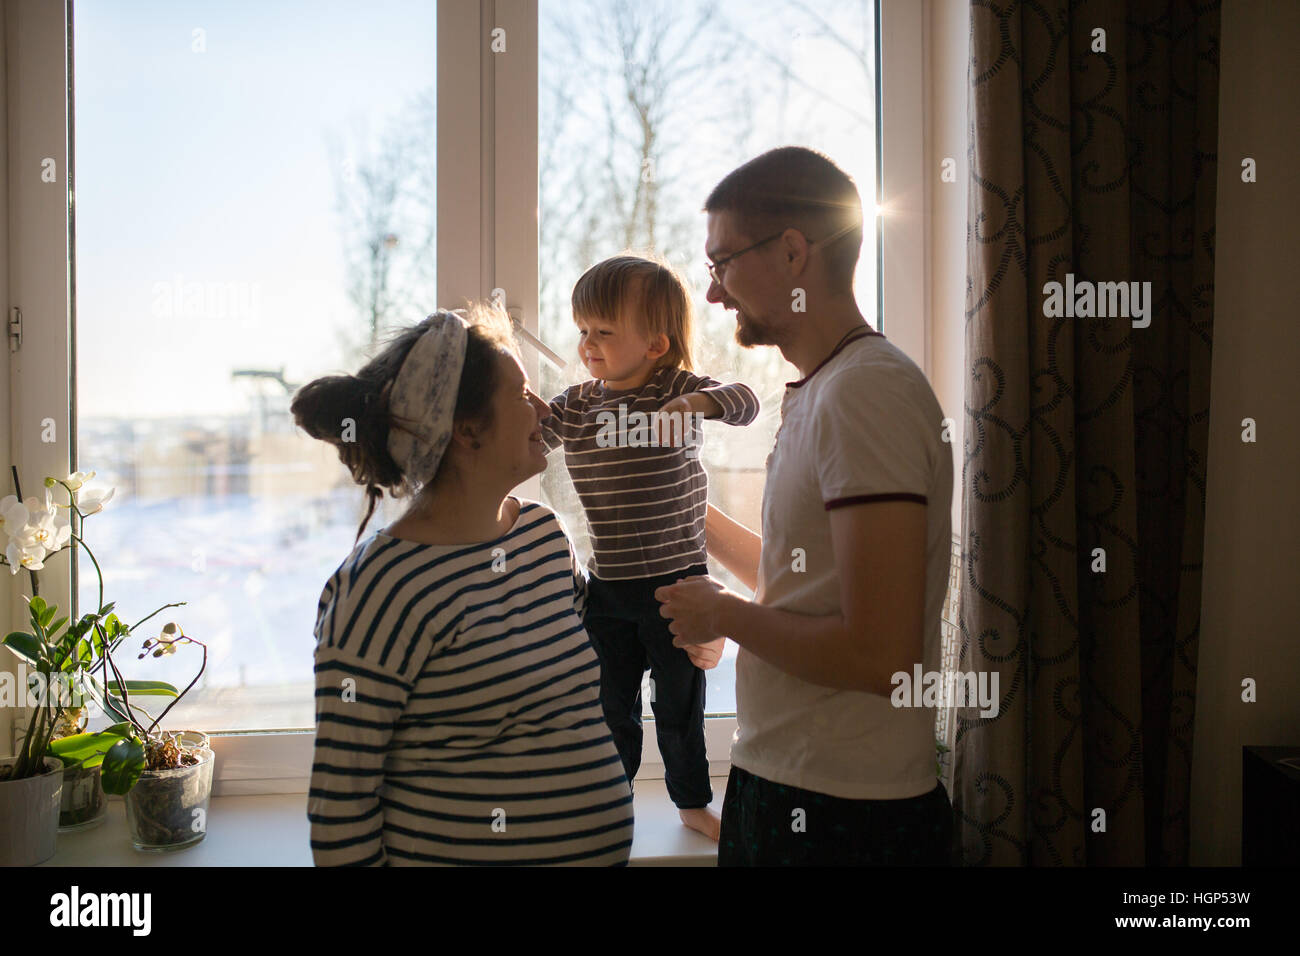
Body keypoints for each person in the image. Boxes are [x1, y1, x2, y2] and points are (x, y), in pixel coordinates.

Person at [655, 146, 955, 866]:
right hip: (796, 785)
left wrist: (724, 616)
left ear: (793, 252)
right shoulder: (827, 388)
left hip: (841, 812)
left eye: (723, 263)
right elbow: (806, 586)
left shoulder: (865, 393)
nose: (714, 294)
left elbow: (880, 653)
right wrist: (674, 503)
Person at [292, 306, 634, 866]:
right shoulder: (380, 589)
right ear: (468, 430)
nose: (543, 409)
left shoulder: (545, 538)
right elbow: (341, 808)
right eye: (521, 394)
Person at [540, 255, 760, 842]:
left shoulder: (675, 388)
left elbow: (745, 401)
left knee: (679, 705)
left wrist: (700, 405)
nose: (587, 343)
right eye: (583, 329)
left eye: (604, 331)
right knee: (610, 707)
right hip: (607, 586)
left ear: (656, 344)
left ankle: (691, 803)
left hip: (677, 583)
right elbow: (528, 440)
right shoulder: (577, 405)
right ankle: (609, 804)